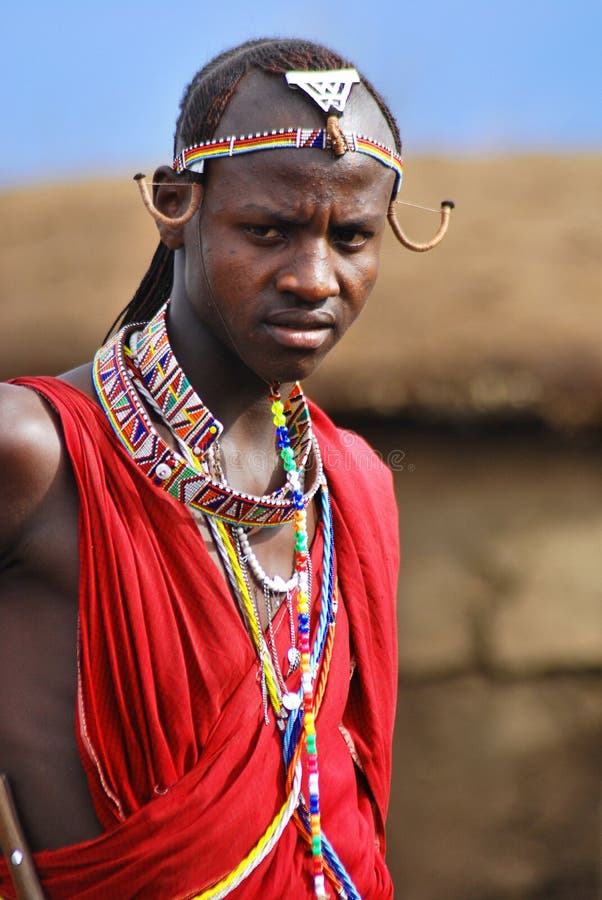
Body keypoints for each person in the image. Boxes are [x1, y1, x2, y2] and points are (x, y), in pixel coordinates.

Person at [0, 38, 451, 899]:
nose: (315, 278)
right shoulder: (36, 450)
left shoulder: (352, 484)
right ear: (176, 206)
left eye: (352, 237)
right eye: (268, 231)